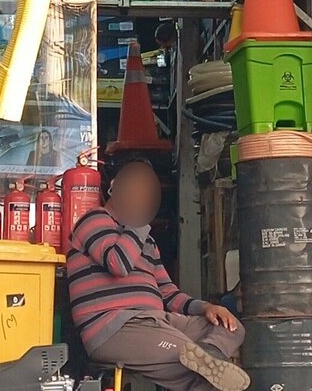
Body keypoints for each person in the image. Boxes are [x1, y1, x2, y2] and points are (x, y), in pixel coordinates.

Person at [67, 160, 250, 391]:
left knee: (231, 327)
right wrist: (137, 223)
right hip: (114, 327)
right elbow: (118, 263)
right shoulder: (94, 220)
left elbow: (168, 292)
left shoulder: (146, 239)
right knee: (195, 368)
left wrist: (206, 308)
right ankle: (206, 362)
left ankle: (209, 355)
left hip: (158, 322)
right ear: (115, 188)